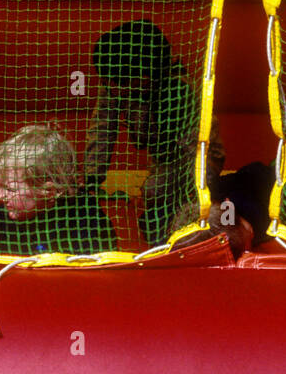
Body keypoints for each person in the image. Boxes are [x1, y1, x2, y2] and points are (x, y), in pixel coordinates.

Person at [85, 19, 226, 245]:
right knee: (154, 192)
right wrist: (91, 179)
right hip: (162, 161)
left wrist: (198, 192)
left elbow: (198, 153)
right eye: (111, 83)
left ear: (146, 76)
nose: (114, 88)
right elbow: (102, 129)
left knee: (156, 190)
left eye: (123, 84)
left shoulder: (177, 90)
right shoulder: (113, 84)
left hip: (195, 159)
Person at [0, 124, 117, 256]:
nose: (0, 196)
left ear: (49, 191)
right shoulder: (8, 213)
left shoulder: (85, 220)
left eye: (10, 189)